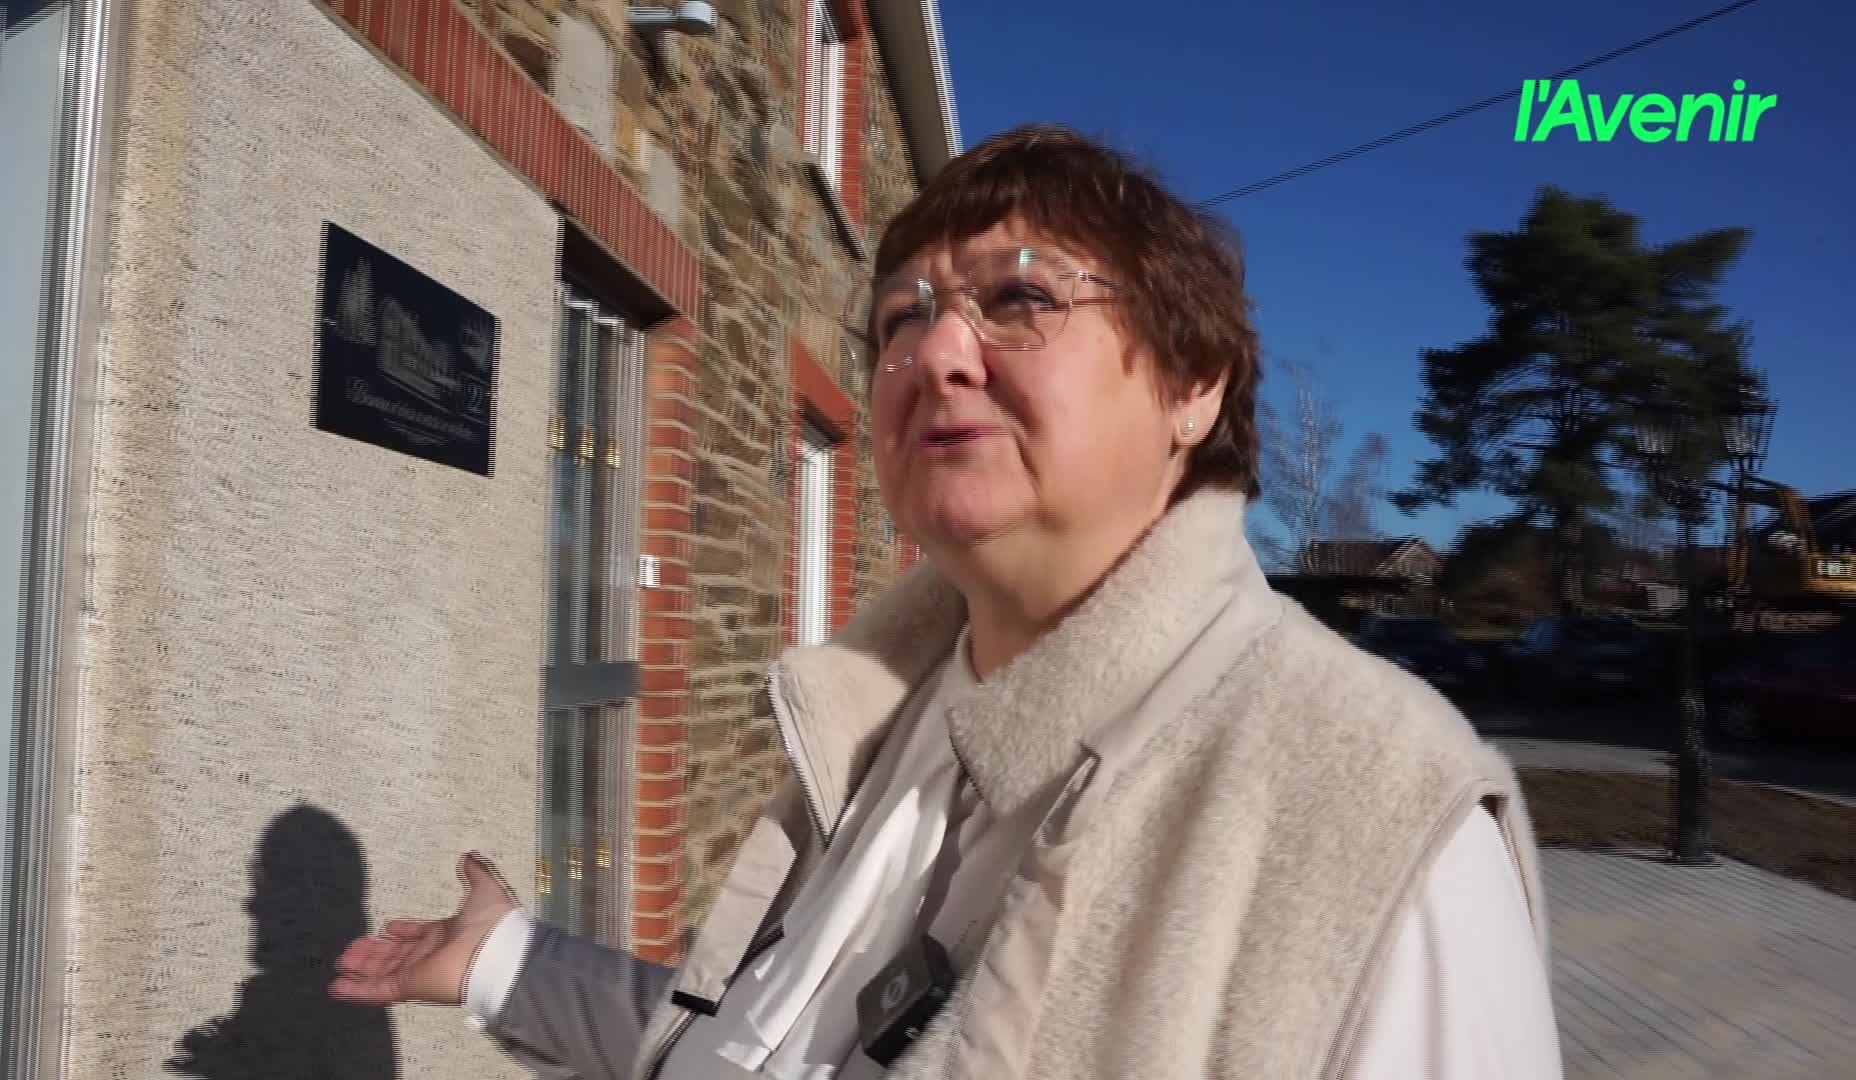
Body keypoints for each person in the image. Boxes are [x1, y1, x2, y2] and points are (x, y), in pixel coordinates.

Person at [332, 124, 1564, 1080]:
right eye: (901, 319)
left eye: (1019, 298)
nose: (935, 352)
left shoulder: (1374, 819)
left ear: (1193, 384)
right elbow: (764, 1039)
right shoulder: (879, 727)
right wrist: (503, 959)